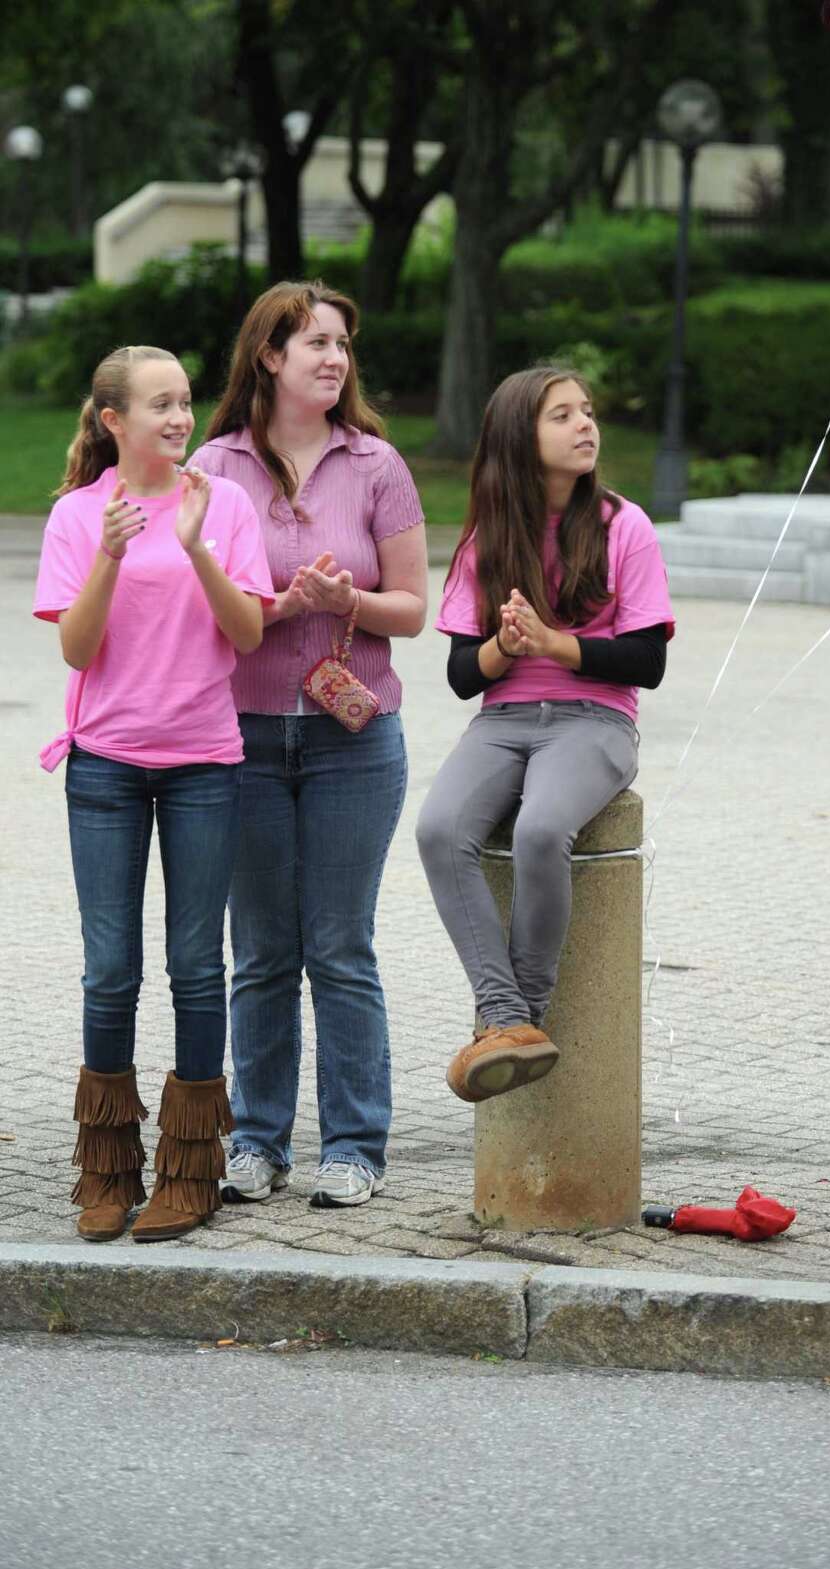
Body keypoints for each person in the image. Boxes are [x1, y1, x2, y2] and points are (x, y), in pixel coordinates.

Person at [192, 281, 427, 1211]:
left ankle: (356, 1146)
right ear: (269, 358)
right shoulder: (213, 467)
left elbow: (411, 607)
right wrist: (269, 609)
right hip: (239, 735)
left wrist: (347, 605)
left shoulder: (376, 465)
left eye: (341, 345)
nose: (333, 359)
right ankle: (255, 1140)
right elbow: (193, 600)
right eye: (314, 343)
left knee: (339, 945)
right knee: (259, 950)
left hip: (353, 742)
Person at [34, 345, 273, 1243]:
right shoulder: (77, 516)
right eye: (161, 405)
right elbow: (78, 649)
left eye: (185, 402)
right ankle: (106, 1170)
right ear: (113, 422)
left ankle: (190, 1170)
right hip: (104, 767)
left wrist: (195, 547)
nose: (181, 419)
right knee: (109, 969)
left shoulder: (224, 502)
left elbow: (247, 631)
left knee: (196, 967)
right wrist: (108, 555)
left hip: (205, 760)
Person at [416, 366, 673, 1103]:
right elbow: (466, 674)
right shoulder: (486, 540)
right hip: (502, 720)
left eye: (587, 411)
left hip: (595, 720)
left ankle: (519, 1011)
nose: (585, 424)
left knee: (540, 830)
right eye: (562, 415)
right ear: (519, 438)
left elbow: (647, 661)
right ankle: (507, 1019)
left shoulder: (625, 525)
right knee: (439, 829)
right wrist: (507, 644)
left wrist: (555, 644)